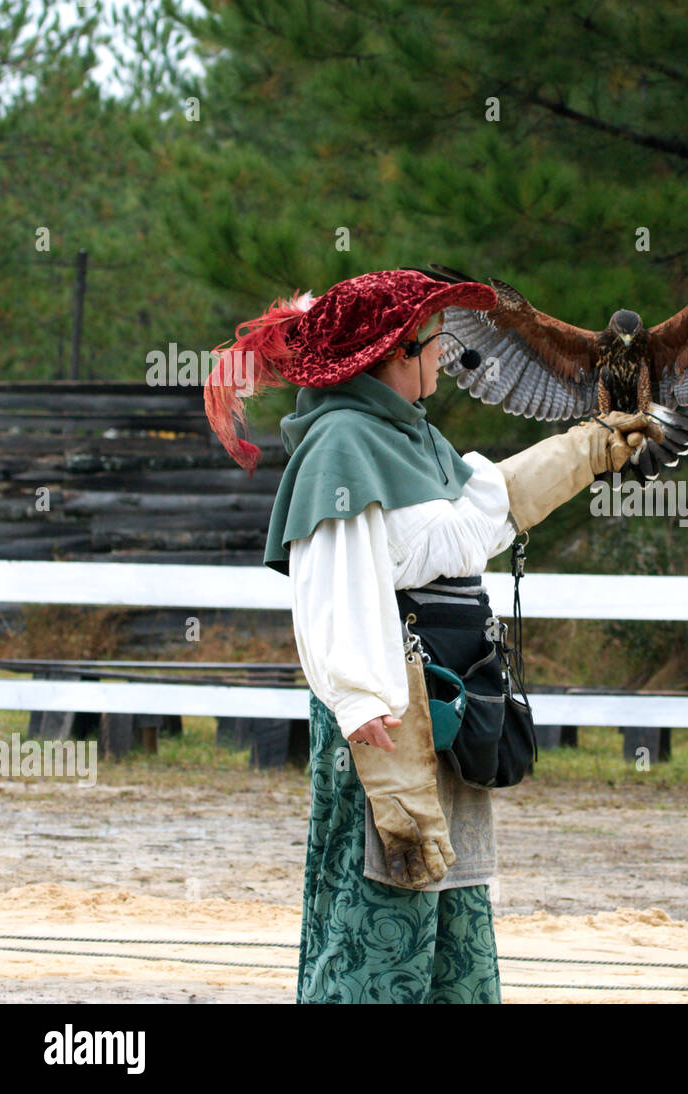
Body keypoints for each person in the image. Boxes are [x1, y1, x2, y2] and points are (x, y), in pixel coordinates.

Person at [203, 268, 654, 1003]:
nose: (447, 352)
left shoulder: (405, 435)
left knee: (450, 909)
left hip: (442, 707)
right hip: (387, 722)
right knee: (377, 917)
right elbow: (332, 587)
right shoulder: (343, 444)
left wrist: (594, 447)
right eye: (435, 340)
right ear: (394, 353)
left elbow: (477, 520)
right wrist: (360, 703)